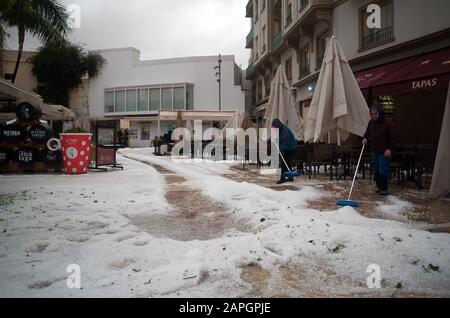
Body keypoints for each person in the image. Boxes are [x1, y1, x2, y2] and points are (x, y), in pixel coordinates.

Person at [362, 102, 397, 196]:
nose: (374, 116)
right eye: (372, 114)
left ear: (380, 113)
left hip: (384, 152)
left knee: (383, 170)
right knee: (376, 171)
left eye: (375, 114)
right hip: (375, 151)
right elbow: (367, 133)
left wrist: (389, 149)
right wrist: (365, 138)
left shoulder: (387, 123)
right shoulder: (371, 122)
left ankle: (384, 189)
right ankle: (379, 187)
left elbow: (393, 138)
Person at [272, 119, 300, 184]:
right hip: (288, 148)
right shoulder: (278, 129)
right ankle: (290, 177)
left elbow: (285, 143)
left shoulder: (285, 131)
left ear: (278, 126)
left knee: (284, 163)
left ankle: (283, 178)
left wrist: (280, 148)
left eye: (275, 128)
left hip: (292, 148)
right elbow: (277, 138)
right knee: (287, 162)